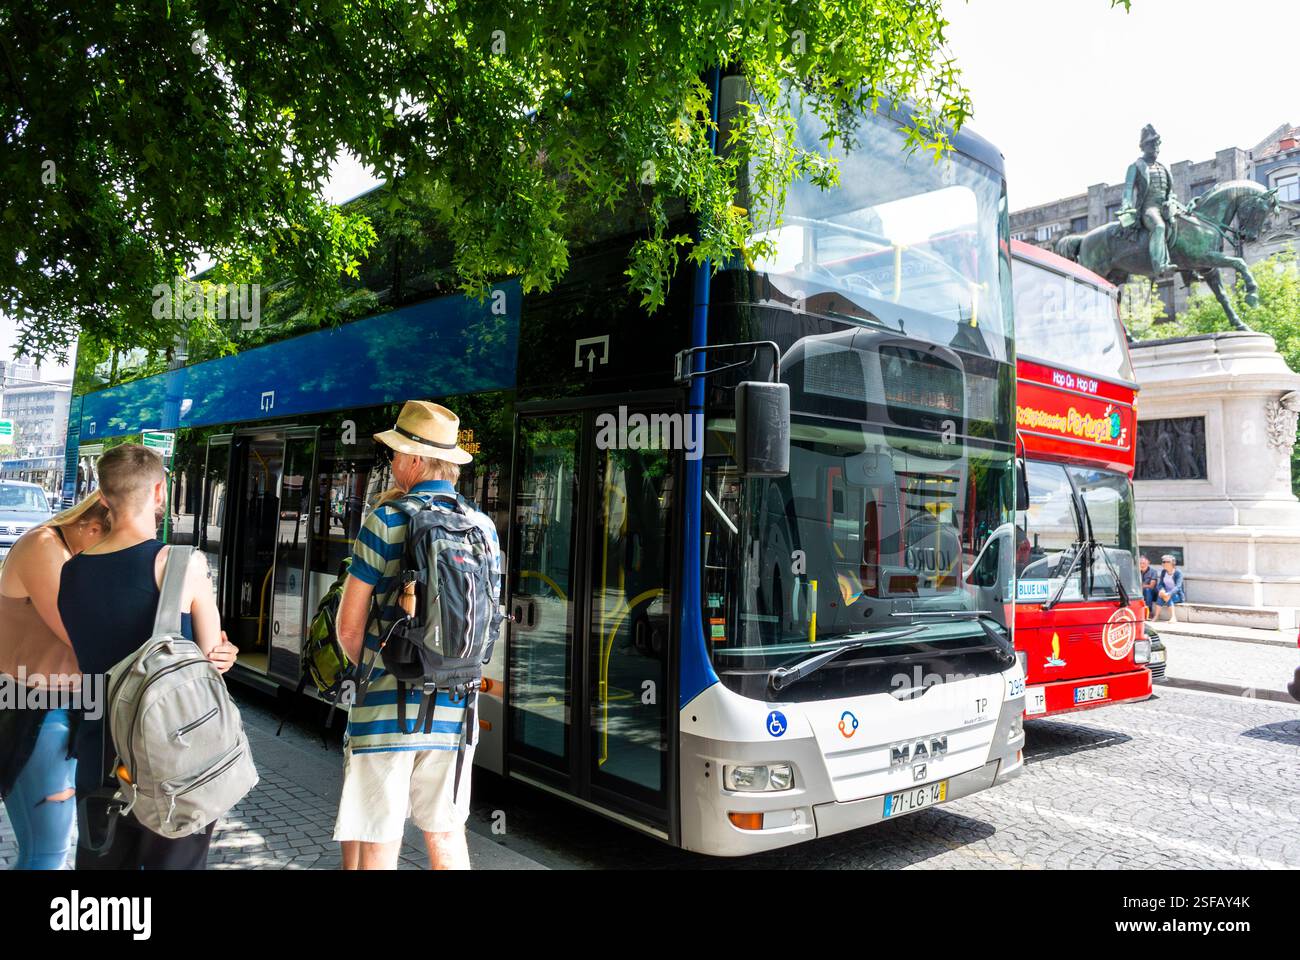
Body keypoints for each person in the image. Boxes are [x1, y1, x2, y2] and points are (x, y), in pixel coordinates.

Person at [333, 401, 501, 870]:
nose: (392, 464)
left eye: (395, 455)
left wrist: (371, 674)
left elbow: (348, 627)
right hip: (457, 707)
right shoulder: (484, 528)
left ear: (412, 460)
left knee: (379, 838)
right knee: (446, 834)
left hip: (387, 706)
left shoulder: (385, 521)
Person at [57, 444, 239, 869]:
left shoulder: (72, 570)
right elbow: (214, 662)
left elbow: (86, 648)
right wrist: (223, 654)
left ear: (102, 497)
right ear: (160, 492)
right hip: (175, 761)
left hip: (100, 750)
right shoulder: (182, 564)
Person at [0, 495, 110, 869]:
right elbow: (84, 637)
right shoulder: (44, 546)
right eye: (110, 545)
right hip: (34, 707)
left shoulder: (68, 553)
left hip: (67, 706)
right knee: (46, 851)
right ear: (93, 528)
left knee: (47, 848)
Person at [1152, 554, 1185, 622]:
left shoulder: (1178, 573)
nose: (1163, 563)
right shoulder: (1164, 572)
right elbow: (1161, 583)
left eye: (1166, 562)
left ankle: (1173, 617)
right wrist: (1162, 590)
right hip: (1166, 593)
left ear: (1172, 563)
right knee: (1161, 596)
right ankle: (1156, 616)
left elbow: (1178, 587)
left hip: (1177, 595)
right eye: (1163, 562)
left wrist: (1169, 593)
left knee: (1166, 597)